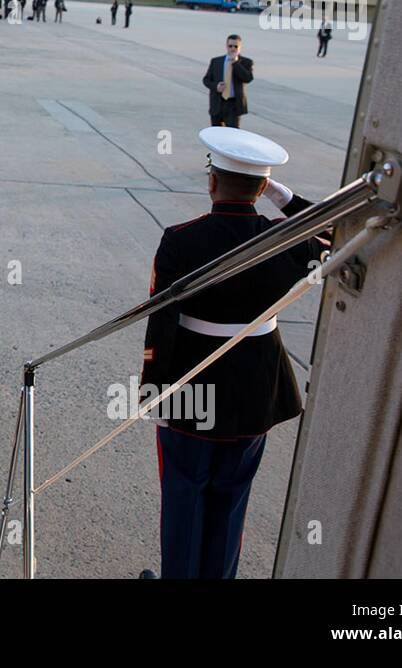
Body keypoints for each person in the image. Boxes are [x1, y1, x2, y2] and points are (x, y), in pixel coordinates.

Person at [140, 127, 323, 579]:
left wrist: (154, 391)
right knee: (231, 495)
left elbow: (161, 320)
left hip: (192, 384)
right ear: (262, 187)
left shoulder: (181, 239)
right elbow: (329, 234)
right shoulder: (285, 237)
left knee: (185, 494)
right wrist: (284, 197)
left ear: (211, 181)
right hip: (257, 387)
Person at [203, 34, 252, 128]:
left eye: (236, 46)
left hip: (233, 104)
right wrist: (216, 86)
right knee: (216, 133)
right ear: (226, 46)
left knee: (232, 134)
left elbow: (247, 78)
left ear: (240, 47)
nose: (233, 49)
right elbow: (206, 80)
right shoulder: (216, 61)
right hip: (217, 103)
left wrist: (235, 63)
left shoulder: (246, 62)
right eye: (230, 46)